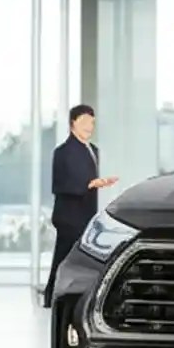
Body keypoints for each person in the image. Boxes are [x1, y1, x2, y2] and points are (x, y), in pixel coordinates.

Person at [44, 105, 117, 308]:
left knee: (79, 257)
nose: (89, 126)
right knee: (64, 256)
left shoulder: (94, 150)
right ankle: (52, 296)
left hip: (87, 213)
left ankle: (74, 295)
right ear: (72, 123)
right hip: (69, 215)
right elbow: (60, 184)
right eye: (84, 121)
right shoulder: (63, 152)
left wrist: (99, 183)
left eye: (92, 122)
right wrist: (88, 184)